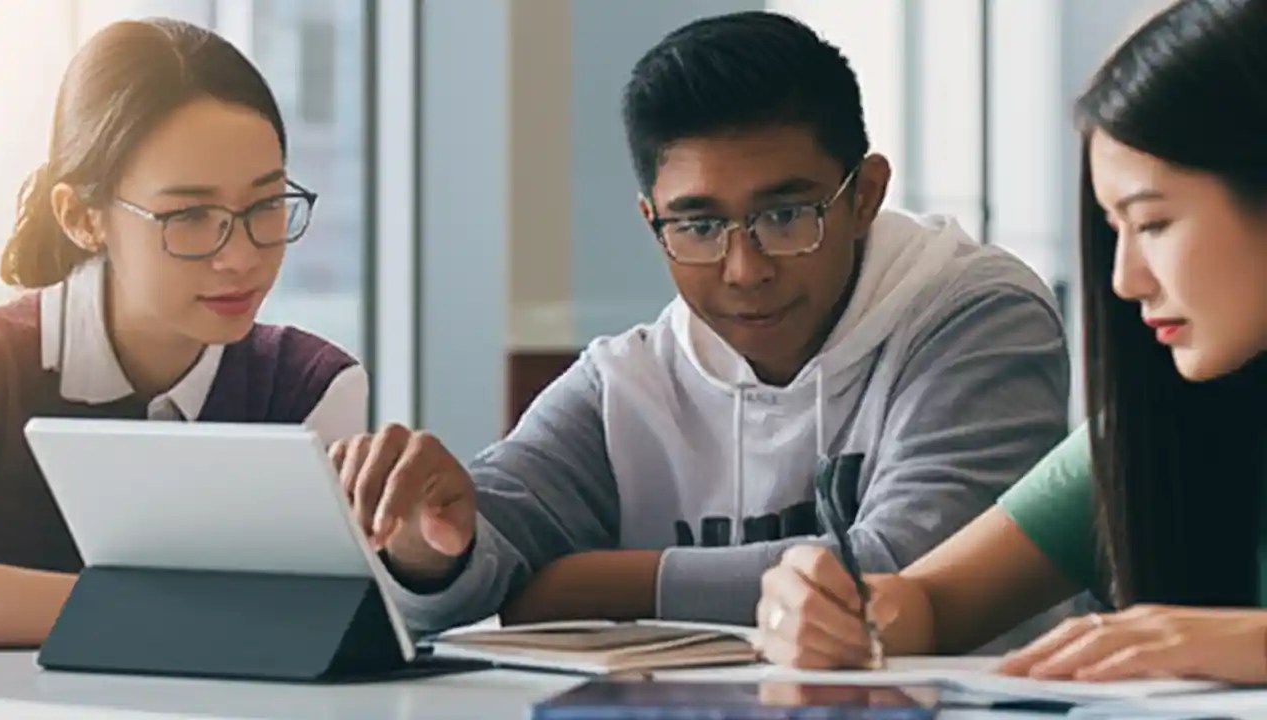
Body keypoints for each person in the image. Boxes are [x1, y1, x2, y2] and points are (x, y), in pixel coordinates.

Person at [331, 11, 1068, 633]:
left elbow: (907, 578)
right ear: (652, 221)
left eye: (786, 216)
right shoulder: (628, 379)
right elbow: (487, 548)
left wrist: (599, 586)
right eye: (700, 225)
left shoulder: (978, 315)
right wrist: (431, 547)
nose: (745, 268)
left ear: (865, 195)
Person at [755, 0, 1267, 684]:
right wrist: (836, 610)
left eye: (1154, 224)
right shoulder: (1153, 434)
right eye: (1115, 230)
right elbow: (928, 604)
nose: (1123, 280)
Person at [0, 19, 367, 646]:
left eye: (266, 206)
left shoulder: (310, 389)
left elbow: (320, 620)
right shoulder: (1, 364)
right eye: (191, 216)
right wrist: (165, 611)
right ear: (83, 217)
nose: (241, 256)